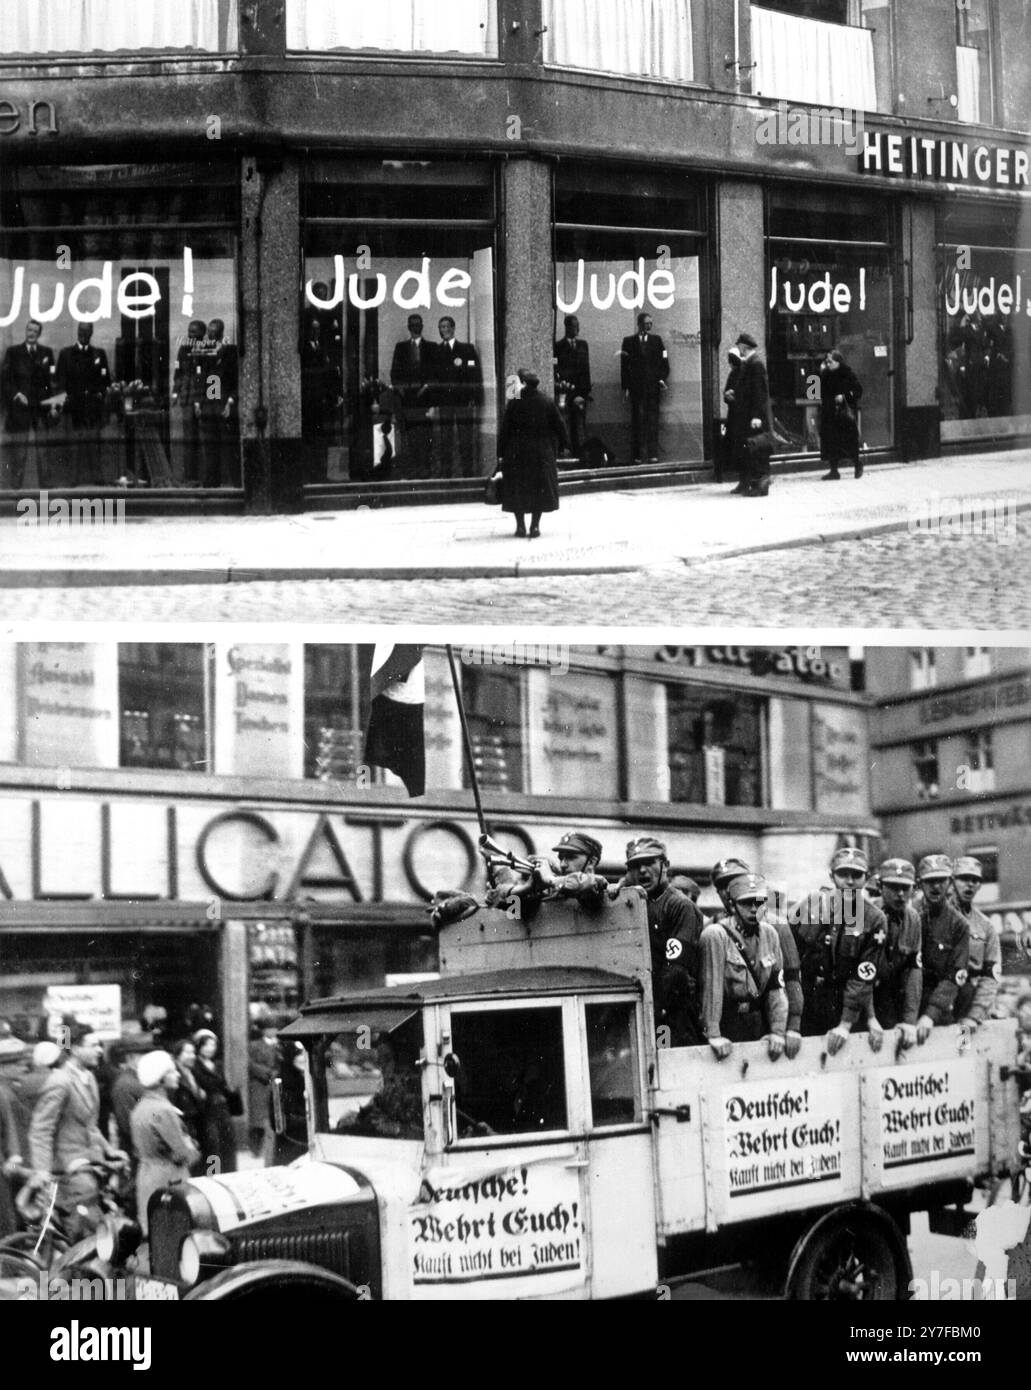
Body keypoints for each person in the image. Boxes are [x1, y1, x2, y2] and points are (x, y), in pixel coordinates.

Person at [27, 1019, 128, 1242]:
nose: (100, 1050)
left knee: (99, 1220)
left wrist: (109, 1150)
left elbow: (90, 1125)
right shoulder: (60, 1081)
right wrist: (41, 1170)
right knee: (85, 1227)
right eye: (93, 1045)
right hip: (68, 1167)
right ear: (75, 1048)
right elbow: (40, 1130)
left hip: (88, 1160)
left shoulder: (89, 1077)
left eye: (100, 1045)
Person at [788, 847, 890, 1054]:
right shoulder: (812, 904)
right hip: (807, 1000)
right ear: (831, 876)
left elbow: (863, 976)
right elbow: (790, 955)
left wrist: (845, 1024)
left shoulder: (874, 919)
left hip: (846, 1005)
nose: (850, 881)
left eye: (857, 875)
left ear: (866, 878)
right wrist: (792, 1021)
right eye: (843, 874)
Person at [711, 858, 804, 1058]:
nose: (728, 889)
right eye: (721, 885)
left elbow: (790, 977)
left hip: (764, 1024)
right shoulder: (714, 928)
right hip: (727, 1023)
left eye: (736, 880)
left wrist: (792, 1027)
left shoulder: (775, 926)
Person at [621, 836, 705, 1047]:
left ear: (665, 865)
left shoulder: (679, 906)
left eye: (649, 863)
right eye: (635, 865)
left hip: (669, 1014)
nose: (642, 871)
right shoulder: (632, 903)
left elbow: (676, 970)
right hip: (638, 1008)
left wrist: (654, 1008)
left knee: (665, 1065)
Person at [701, 873, 788, 1062]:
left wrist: (778, 1032)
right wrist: (713, 1034)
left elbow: (776, 987)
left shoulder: (770, 933)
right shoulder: (716, 935)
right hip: (727, 1023)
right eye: (747, 903)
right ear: (732, 905)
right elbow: (711, 987)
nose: (754, 909)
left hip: (757, 1022)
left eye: (759, 902)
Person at [130, 1050, 199, 1236]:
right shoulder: (163, 1110)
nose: (177, 1075)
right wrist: (192, 1147)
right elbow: (184, 1153)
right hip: (170, 1177)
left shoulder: (141, 1107)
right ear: (161, 1078)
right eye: (172, 1071)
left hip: (146, 1174)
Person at [498, 368, 569, 539]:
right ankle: (535, 526)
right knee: (540, 490)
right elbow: (559, 425)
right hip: (541, 453)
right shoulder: (546, 401)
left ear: (523, 383)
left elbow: (505, 429)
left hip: (517, 453)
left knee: (517, 490)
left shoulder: (514, 402)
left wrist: (500, 452)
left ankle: (520, 527)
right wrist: (564, 446)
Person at [914, 855, 970, 1045]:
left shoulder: (959, 924)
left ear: (950, 882)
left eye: (941, 880)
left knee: (949, 1056)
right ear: (919, 883)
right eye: (929, 881)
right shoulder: (908, 916)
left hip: (940, 1008)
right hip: (904, 1007)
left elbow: (956, 974)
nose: (935, 887)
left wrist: (931, 1014)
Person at [869, 859, 924, 1048]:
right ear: (879, 886)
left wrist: (909, 1021)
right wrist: (869, 1018)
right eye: (893, 887)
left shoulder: (913, 919)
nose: (900, 894)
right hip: (862, 1002)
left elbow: (913, 971)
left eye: (905, 888)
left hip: (890, 1000)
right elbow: (858, 973)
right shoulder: (864, 914)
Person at [1, 319, 57, 488]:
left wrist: (54, 405)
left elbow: (52, 382)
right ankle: (16, 492)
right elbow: (5, 381)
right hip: (20, 410)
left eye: (35, 331)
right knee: (19, 453)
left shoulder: (46, 353)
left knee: (43, 453)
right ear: (26, 331)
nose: (31, 333)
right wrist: (17, 394)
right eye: (29, 330)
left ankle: (46, 490)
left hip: (40, 409)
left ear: (39, 334)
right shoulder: (13, 352)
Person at [54, 323, 110, 487]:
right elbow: (59, 380)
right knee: (73, 444)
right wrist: (66, 399)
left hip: (93, 406)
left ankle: (97, 478)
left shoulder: (99, 354)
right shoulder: (66, 354)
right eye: (81, 331)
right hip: (74, 406)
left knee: (94, 443)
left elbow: (105, 380)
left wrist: (100, 394)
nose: (83, 334)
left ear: (91, 333)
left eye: (86, 331)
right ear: (77, 332)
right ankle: (73, 479)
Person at [948, 856, 1000, 1033]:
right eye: (963, 879)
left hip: (968, 1002)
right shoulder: (937, 916)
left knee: (963, 1049)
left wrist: (974, 1014)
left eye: (975, 880)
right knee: (935, 1052)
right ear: (952, 881)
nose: (969, 884)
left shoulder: (986, 925)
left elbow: (991, 974)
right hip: (938, 1002)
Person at [433, 315, 482, 479]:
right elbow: (434, 378)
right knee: (445, 438)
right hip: (445, 402)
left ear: (453, 328)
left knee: (465, 438)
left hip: (463, 402)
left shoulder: (466, 349)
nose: (444, 330)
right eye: (441, 327)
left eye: (447, 327)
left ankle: (468, 474)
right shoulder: (437, 351)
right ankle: (446, 475)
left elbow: (475, 375)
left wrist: (475, 398)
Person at [620, 312, 669, 463]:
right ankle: (637, 455)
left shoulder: (657, 341)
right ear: (639, 324)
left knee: (653, 421)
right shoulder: (628, 342)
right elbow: (624, 366)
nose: (649, 326)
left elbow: (665, 363)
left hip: (653, 388)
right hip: (637, 389)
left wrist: (661, 379)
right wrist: (626, 386)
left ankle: (653, 454)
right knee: (637, 422)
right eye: (647, 323)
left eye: (650, 323)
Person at [728, 331, 772, 497]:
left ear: (744, 347)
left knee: (757, 451)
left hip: (753, 418)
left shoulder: (756, 363)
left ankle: (760, 486)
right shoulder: (750, 362)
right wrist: (735, 393)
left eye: (739, 345)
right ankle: (751, 484)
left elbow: (759, 392)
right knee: (750, 451)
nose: (737, 348)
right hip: (746, 416)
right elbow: (748, 390)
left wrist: (756, 416)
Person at [389, 314, 434, 477]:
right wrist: (401, 390)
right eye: (412, 325)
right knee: (409, 435)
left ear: (422, 326)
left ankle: (425, 468)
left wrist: (426, 388)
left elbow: (435, 373)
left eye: (418, 325)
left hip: (425, 399)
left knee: (425, 435)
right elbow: (394, 373)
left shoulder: (431, 347)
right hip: (407, 400)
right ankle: (413, 469)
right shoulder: (401, 347)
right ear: (409, 327)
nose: (415, 327)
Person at [199, 318, 239, 487]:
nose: (210, 335)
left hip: (223, 402)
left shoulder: (230, 352)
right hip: (210, 402)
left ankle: (234, 481)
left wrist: (231, 400)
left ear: (221, 332)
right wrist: (199, 402)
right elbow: (200, 378)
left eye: (214, 331)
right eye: (209, 332)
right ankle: (211, 480)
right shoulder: (205, 352)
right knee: (210, 445)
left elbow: (236, 378)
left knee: (229, 444)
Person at [193, 1029, 238, 1174]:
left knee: (228, 1143)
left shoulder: (217, 1065)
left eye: (213, 1045)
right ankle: (213, 1174)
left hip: (222, 1108)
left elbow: (223, 1084)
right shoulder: (195, 1066)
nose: (210, 1049)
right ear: (199, 1046)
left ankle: (228, 1174)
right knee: (213, 1145)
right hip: (208, 1110)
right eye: (206, 1045)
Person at [171, 319, 207, 486]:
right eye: (189, 332)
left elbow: (213, 377)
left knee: (204, 440)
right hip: (187, 399)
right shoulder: (183, 350)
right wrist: (175, 394)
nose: (191, 336)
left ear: (202, 334)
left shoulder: (208, 350)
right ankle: (190, 478)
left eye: (195, 333)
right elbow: (178, 374)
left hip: (203, 400)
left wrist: (211, 400)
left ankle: (205, 478)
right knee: (188, 439)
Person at [819, 349, 864, 480]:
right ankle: (834, 470)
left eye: (830, 362)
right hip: (830, 413)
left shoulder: (847, 373)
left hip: (844, 414)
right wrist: (819, 372)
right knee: (831, 441)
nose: (828, 364)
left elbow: (858, 391)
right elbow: (814, 391)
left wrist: (844, 396)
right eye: (826, 362)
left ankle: (857, 464)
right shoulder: (825, 374)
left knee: (849, 441)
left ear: (838, 362)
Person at [553, 314, 592, 457]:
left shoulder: (583, 345)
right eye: (574, 326)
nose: (577, 329)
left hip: (580, 391)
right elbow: (557, 369)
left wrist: (585, 392)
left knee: (580, 424)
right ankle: (569, 451)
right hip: (566, 392)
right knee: (567, 423)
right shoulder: (558, 346)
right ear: (567, 327)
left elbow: (586, 369)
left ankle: (581, 453)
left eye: (578, 326)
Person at [269, 1041, 309, 1166]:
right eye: (298, 1055)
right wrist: (306, 1120)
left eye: (304, 1054)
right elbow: (277, 1121)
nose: (303, 1059)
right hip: (291, 1143)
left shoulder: (307, 1079)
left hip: (307, 1141)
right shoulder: (279, 1083)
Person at [247, 1019, 279, 1160]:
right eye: (270, 1028)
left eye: (275, 1028)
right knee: (258, 1119)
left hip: (276, 1084)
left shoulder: (281, 1045)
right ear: (264, 1031)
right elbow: (250, 1063)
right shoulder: (254, 1045)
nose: (273, 1031)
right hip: (260, 1085)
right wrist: (267, 1073)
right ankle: (255, 1150)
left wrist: (277, 1073)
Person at [171, 1038, 204, 1165]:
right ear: (178, 1054)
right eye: (188, 1053)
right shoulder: (173, 1074)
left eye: (193, 1053)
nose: (192, 1056)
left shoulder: (192, 1072)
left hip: (196, 1123)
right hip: (185, 1124)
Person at [720, 345, 744, 491]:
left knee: (740, 448)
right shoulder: (733, 373)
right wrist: (727, 396)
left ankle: (744, 480)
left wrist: (732, 395)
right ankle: (741, 479)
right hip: (733, 416)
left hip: (739, 416)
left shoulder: (741, 373)